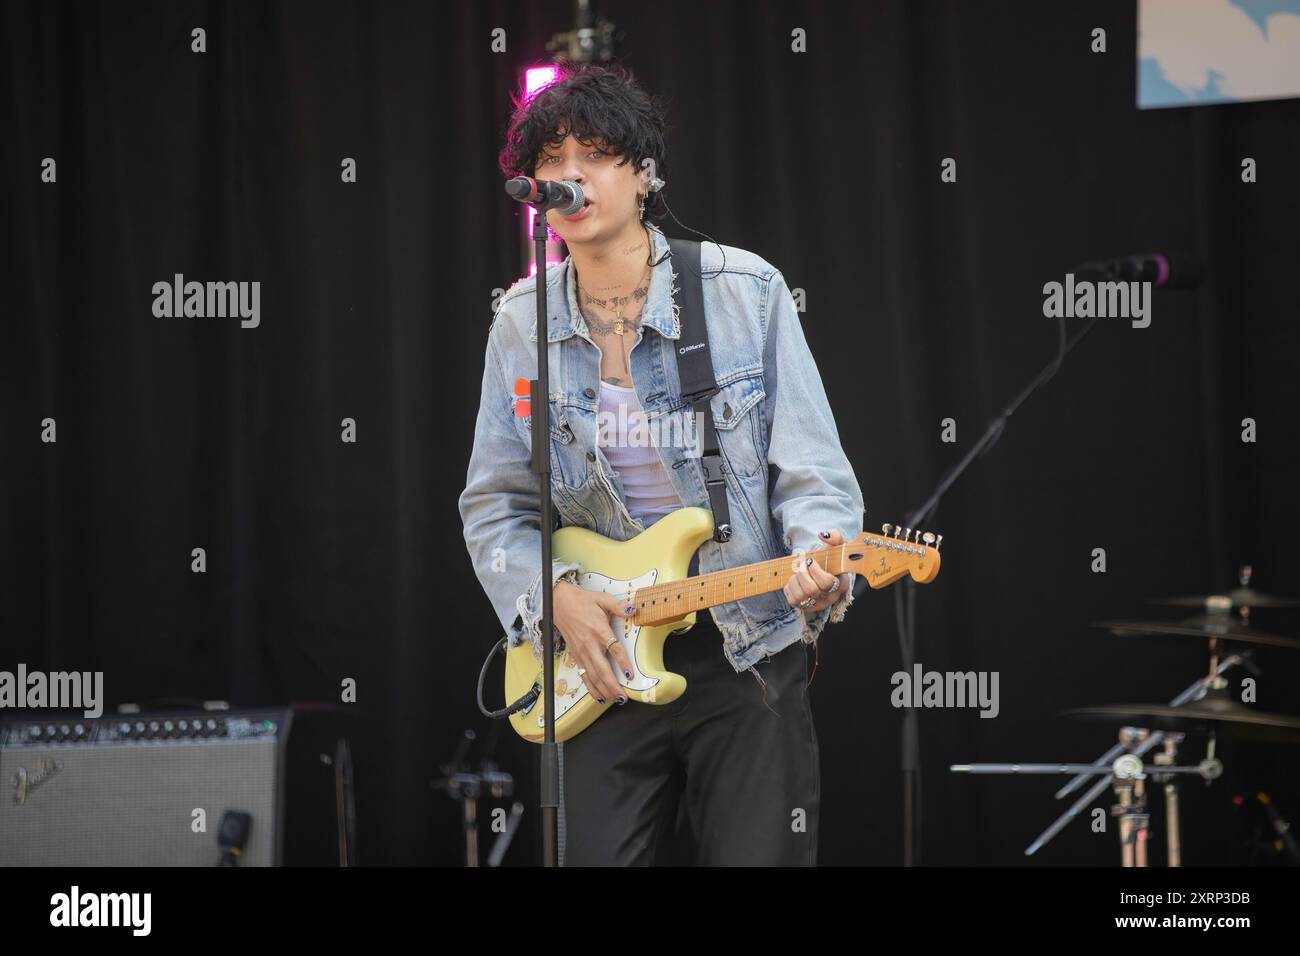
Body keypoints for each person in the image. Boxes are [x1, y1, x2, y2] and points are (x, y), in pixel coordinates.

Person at [459, 60, 864, 865]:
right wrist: (554, 599)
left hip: (744, 649)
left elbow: (812, 469)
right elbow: (496, 502)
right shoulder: (520, 323)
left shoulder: (744, 291)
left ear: (645, 176)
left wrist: (823, 556)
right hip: (597, 661)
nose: (568, 174)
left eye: (596, 153)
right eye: (550, 161)